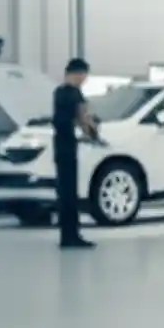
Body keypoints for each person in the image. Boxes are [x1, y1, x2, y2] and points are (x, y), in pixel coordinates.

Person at [53, 58, 101, 250]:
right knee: (71, 192)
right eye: (83, 75)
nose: (84, 80)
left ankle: (66, 235)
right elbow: (84, 119)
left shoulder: (58, 92)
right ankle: (72, 236)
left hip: (59, 144)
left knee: (64, 192)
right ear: (78, 74)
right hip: (69, 146)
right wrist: (94, 135)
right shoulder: (75, 94)